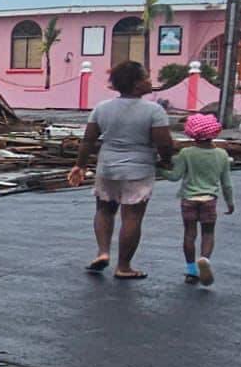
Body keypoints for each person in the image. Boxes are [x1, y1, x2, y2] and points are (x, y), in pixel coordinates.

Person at [67, 61, 174, 279]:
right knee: (132, 217)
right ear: (136, 84)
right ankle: (123, 266)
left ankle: (103, 252)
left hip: (107, 167)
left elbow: (88, 141)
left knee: (104, 210)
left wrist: (80, 164)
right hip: (138, 170)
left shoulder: (102, 108)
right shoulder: (154, 111)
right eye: (145, 77)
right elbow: (164, 143)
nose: (149, 81)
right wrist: (167, 161)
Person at [159, 111, 235, 285]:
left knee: (189, 234)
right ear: (213, 133)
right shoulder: (222, 155)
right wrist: (230, 202)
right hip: (209, 199)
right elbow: (227, 183)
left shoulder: (187, 153)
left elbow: (174, 177)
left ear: (191, 133)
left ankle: (191, 270)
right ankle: (205, 259)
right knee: (208, 233)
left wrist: (159, 170)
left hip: (189, 200)